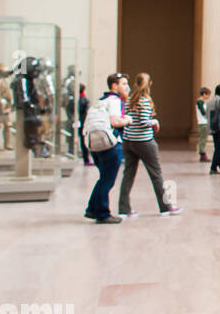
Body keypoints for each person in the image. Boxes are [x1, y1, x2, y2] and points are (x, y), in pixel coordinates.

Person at [117, 72, 181, 217]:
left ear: (135, 84)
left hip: (129, 141)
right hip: (144, 142)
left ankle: (123, 208)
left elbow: (128, 119)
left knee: (128, 175)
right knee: (156, 174)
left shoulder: (128, 100)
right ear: (150, 84)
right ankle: (165, 207)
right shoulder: (144, 100)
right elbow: (145, 121)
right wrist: (155, 122)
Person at [83, 73, 130, 224]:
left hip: (96, 145)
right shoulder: (115, 101)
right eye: (123, 84)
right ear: (114, 86)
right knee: (107, 181)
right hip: (111, 144)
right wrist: (127, 120)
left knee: (103, 179)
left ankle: (92, 209)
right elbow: (115, 121)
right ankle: (103, 213)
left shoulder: (100, 100)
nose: (126, 87)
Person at [195, 86, 210, 163]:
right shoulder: (200, 102)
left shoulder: (202, 102)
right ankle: (202, 153)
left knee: (203, 138)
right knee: (203, 139)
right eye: (207, 95)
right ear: (204, 94)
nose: (208, 97)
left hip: (204, 122)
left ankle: (202, 153)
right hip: (203, 122)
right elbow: (203, 112)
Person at [77, 83, 91, 166]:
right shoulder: (83, 99)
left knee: (83, 140)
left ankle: (86, 158)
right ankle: (86, 158)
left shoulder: (83, 99)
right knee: (83, 140)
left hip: (82, 122)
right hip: (82, 122)